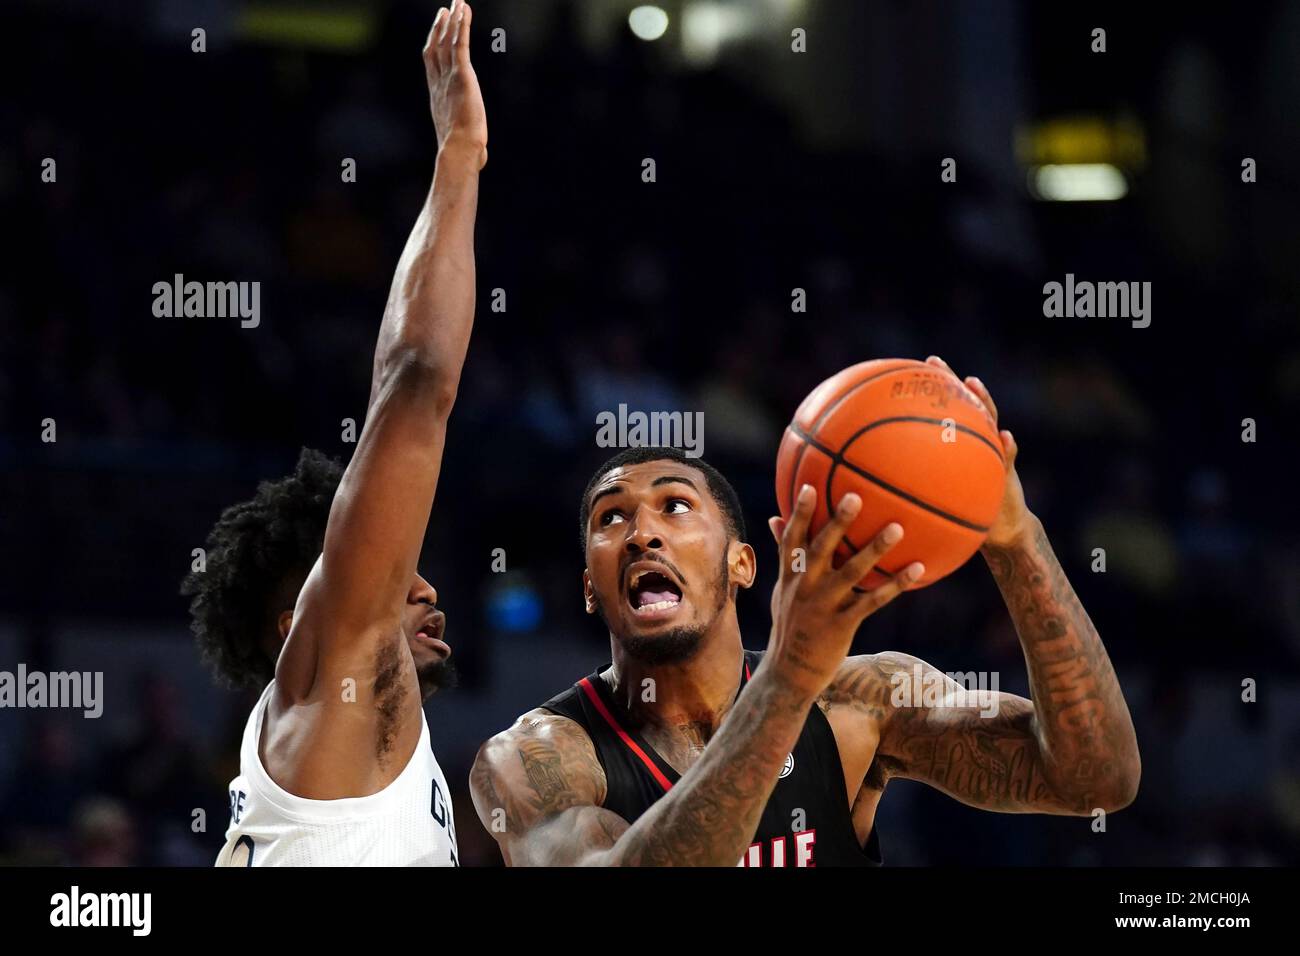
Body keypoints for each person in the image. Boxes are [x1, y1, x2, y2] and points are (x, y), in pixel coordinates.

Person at [470, 359, 1140, 865]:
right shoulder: (534, 758)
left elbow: (1097, 781)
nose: (644, 532)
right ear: (591, 588)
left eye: (675, 506)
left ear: (742, 563)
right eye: (612, 518)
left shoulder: (860, 702)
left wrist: (1017, 541)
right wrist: (787, 682)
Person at [182, 0, 487, 865]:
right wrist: (460, 159)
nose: (424, 589)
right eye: (392, 570)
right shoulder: (332, 681)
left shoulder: (353, 749)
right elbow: (417, 384)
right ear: (297, 624)